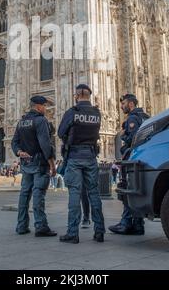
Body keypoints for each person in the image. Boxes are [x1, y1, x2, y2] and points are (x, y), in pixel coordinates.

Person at [58, 84, 105, 244]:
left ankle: (73, 233)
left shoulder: (72, 112)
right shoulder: (97, 113)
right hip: (91, 156)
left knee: (75, 194)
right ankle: (99, 231)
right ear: (89, 96)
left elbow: (60, 132)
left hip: (75, 156)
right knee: (94, 193)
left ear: (76, 96)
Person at [12, 95, 57, 237]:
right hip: (39, 163)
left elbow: (14, 142)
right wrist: (52, 163)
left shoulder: (22, 122)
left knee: (24, 194)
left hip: (26, 164)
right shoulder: (40, 120)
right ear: (38, 106)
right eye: (44, 106)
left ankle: (21, 226)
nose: (45, 109)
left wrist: (19, 152)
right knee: (38, 194)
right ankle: (41, 226)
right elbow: (45, 144)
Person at [108, 93, 149, 235]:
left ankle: (125, 223)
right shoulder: (145, 116)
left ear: (131, 104)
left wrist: (123, 134)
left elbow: (134, 137)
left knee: (127, 189)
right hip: (143, 157)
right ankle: (138, 225)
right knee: (135, 189)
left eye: (123, 103)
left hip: (132, 157)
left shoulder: (132, 118)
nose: (121, 106)